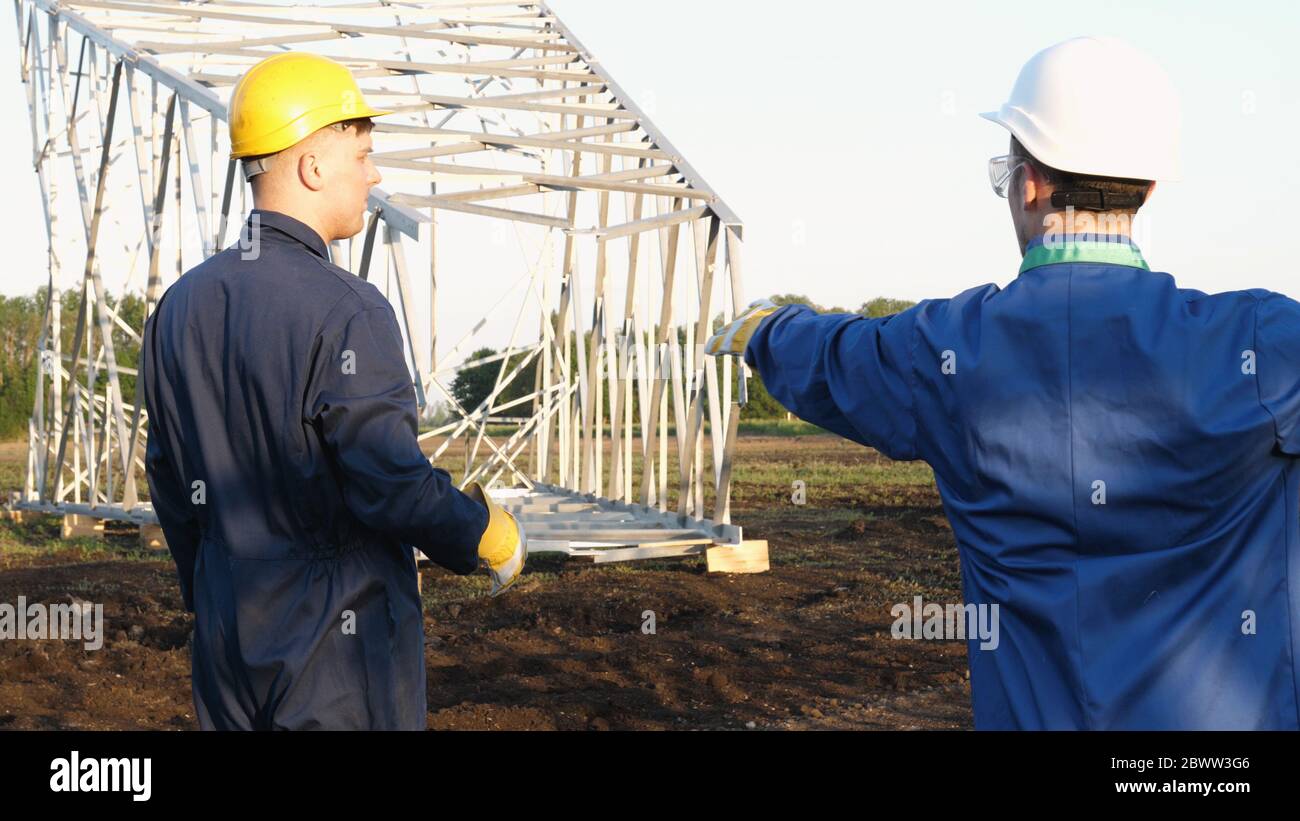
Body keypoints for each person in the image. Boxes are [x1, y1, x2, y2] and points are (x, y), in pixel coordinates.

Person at [707, 36, 1300, 730]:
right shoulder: (1263, 344)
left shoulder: (944, 353)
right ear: (1148, 187)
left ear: (1027, 185)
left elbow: (835, 356)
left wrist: (765, 329)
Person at [141, 52, 526, 730]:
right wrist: (482, 533)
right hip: (336, 657)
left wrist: (214, 591)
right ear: (312, 168)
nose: (374, 174)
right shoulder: (348, 308)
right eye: (364, 155)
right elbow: (390, 483)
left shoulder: (179, 306)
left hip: (228, 644)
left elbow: (171, 482)